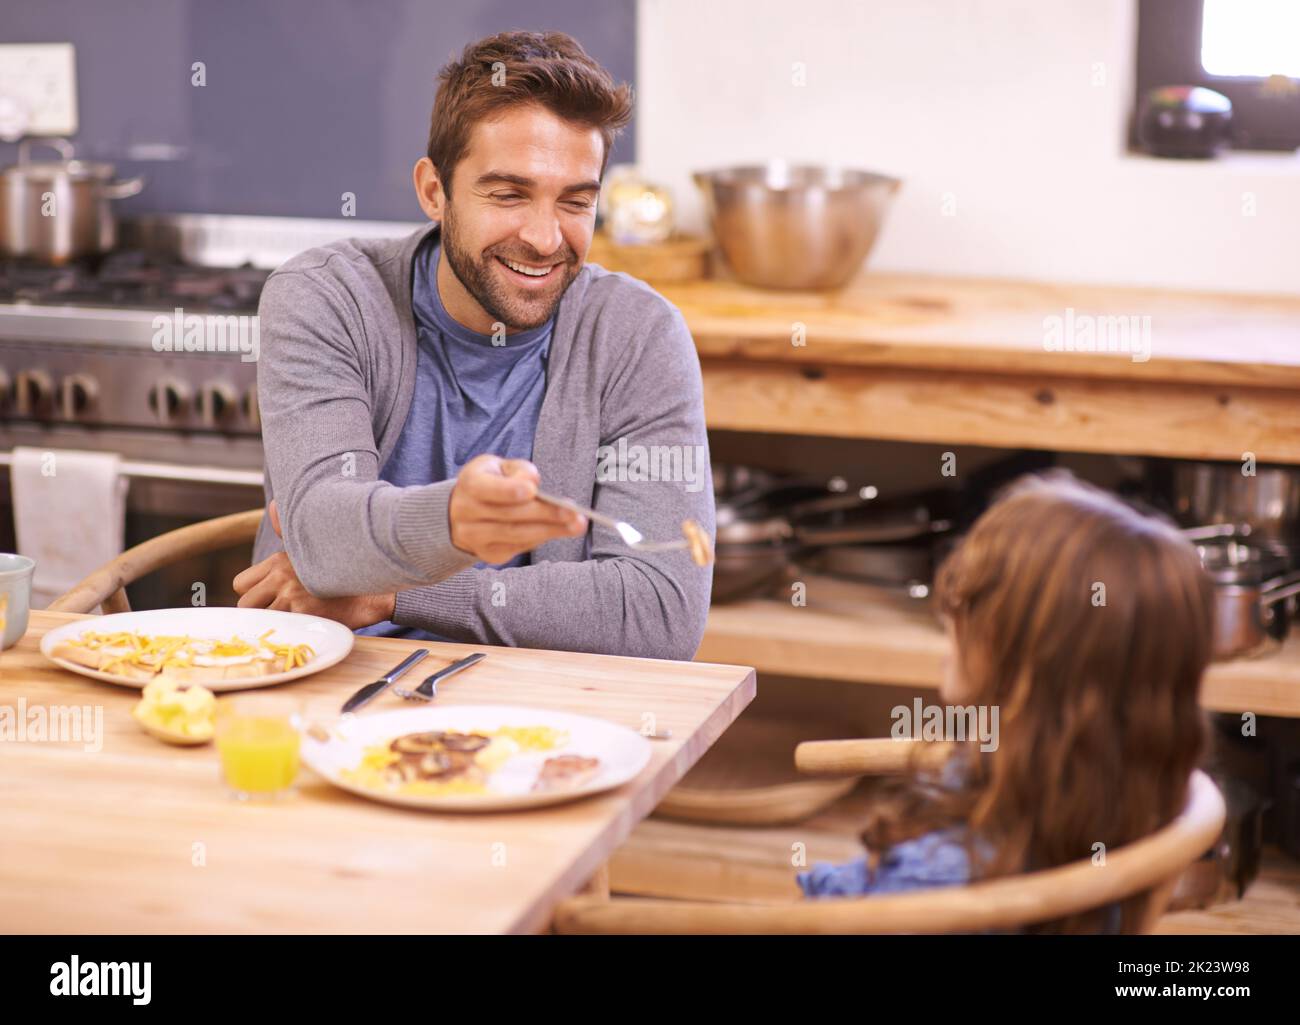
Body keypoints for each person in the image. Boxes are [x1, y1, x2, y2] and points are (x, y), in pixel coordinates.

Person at [233, 31, 714, 660]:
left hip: (539, 714)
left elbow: (656, 613)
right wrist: (453, 522)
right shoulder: (327, 298)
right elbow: (323, 539)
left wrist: (394, 596)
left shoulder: (637, 336)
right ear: (434, 191)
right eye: (509, 194)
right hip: (326, 685)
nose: (545, 239)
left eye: (575, 201)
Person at [799, 472, 1215, 934]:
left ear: (1029, 661)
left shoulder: (930, 886)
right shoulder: (1115, 801)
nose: (949, 614)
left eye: (972, 602)